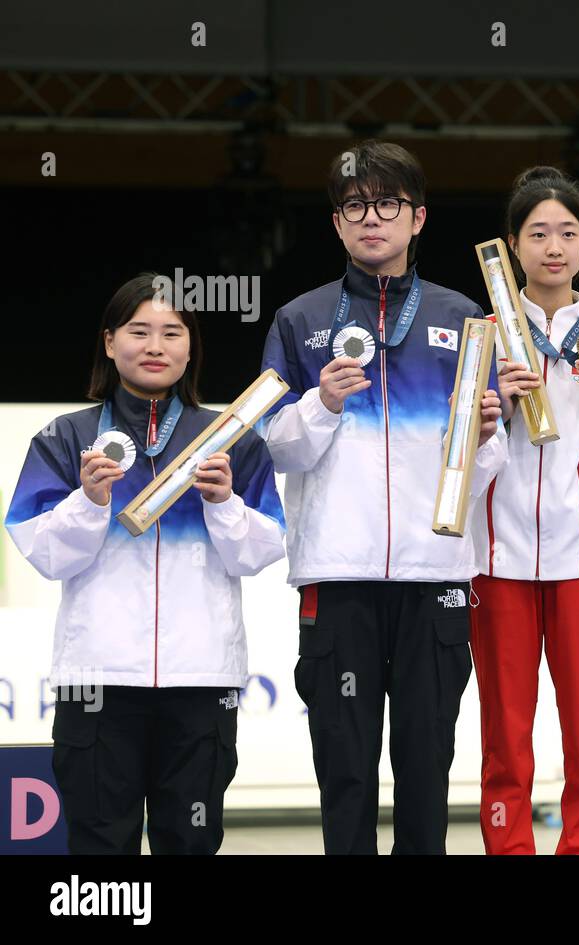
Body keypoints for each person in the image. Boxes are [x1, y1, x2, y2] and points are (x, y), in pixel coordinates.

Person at [259, 140, 507, 855]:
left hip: (437, 576)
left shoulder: (466, 318)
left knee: (428, 764)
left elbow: (483, 468)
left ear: (418, 216)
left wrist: (487, 436)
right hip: (337, 577)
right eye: (355, 206)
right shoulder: (299, 322)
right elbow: (275, 447)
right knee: (345, 765)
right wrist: (323, 404)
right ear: (337, 224)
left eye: (388, 203)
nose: (373, 219)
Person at [5, 273, 286, 854]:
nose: (155, 346)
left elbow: (259, 553)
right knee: (99, 841)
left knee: (192, 837)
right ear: (110, 342)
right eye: (139, 331)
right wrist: (90, 501)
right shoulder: (65, 438)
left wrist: (223, 503)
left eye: (171, 333)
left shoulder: (231, 439)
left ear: (191, 347)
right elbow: (46, 555)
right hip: (98, 680)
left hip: (202, 678)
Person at [470, 166, 579, 855]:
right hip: (497, 560)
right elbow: (456, 467)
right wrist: (495, 412)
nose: (553, 247)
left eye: (567, 232)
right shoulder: (483, 336)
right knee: (505, 733)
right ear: (512, 245)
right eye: (537, 232)